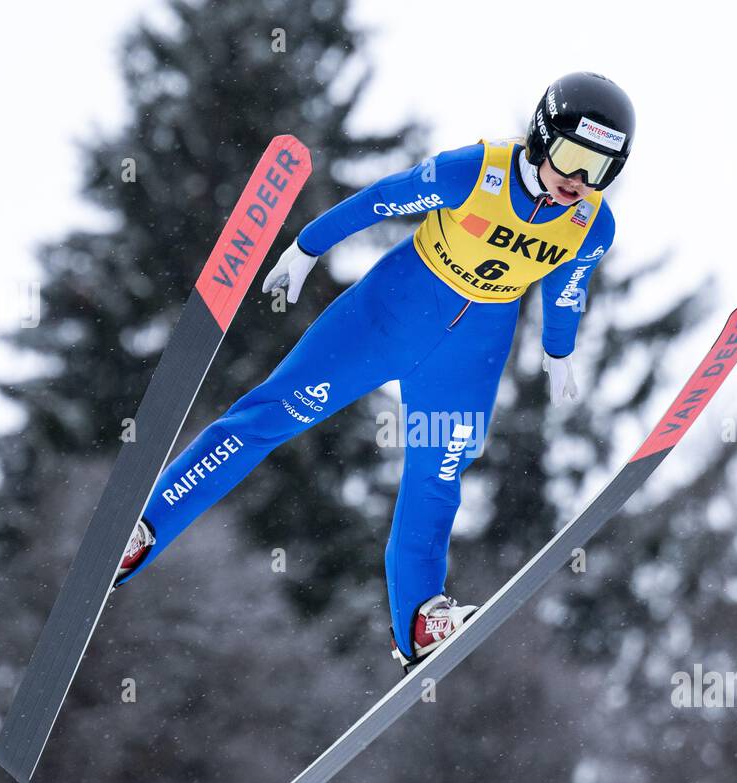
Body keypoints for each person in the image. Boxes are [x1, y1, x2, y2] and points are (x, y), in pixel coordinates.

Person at [115, 71, 635, 672]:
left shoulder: (592, 224)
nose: (578, 181)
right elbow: (380, 199)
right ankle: (145, 526)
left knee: (438, 476)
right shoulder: (476, 172)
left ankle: (419, 618)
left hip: (473, 348)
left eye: (597, 169)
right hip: (392, 311)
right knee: (271, 415)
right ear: (543, 138)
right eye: (571, 157)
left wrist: (559, 349)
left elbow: (568, 285)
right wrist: (308, 248)